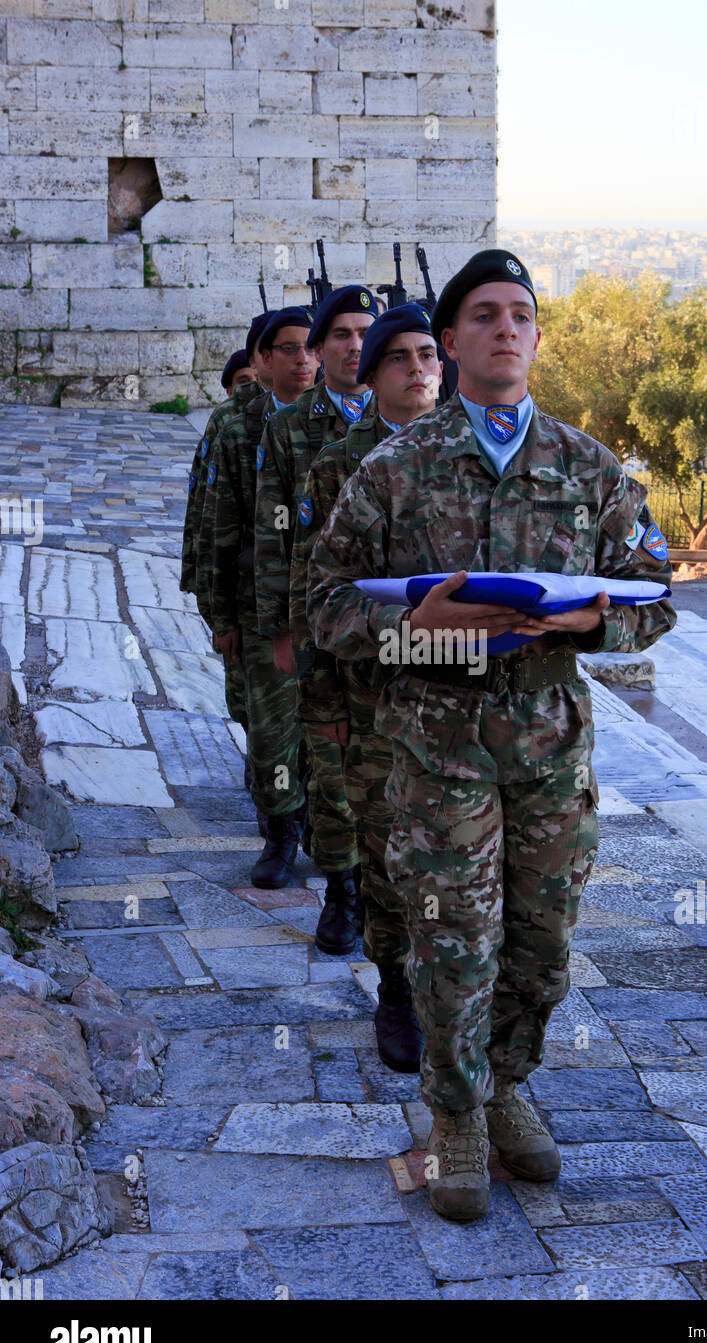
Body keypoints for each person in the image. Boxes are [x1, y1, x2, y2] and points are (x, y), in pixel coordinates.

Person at [306, 249, 676, 1222]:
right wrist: (405, 625)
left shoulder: (590, 468)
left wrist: (594, 624)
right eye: (483, 314)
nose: (503, 327)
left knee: (541, 944)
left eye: (519, 313)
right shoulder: (396, 467)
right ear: (454, 338)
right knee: (452, 942)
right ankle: (456, 1110)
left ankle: (507, 1080)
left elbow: (654, 596)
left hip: (550, 746)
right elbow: (322, 601)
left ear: (537, 338)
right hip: (437, 748)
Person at [289, 302, 441, 1070]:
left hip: (464, 704)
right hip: (372, 697)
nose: (419, 370)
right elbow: (311, 594)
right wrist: (323, 710)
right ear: (374, 372)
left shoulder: (467, 458)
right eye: (401, 357)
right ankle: (398, 993)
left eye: (429, 355)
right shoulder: (337, 466)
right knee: (386, 857)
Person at [254, 286, 378, 944]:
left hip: (401, 625)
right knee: (329, 766)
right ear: (321, 348)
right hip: (321, 624)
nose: (354, 345)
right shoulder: (290, 429)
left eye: (365, 333)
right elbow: (274, 537)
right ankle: (344, 889)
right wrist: (279, 629)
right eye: (341, 335)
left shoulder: (417, 418)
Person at [204, 307, 318, 887]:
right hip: (257, 607)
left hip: (325, 607)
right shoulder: (235, 425)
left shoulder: (341, 422)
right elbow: (214, 523)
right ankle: (280, 831)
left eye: (311, 348)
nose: (305, 360)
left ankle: (320, 826)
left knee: (326, 726)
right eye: (291, 349)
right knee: (269, 729)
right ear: (262, 359)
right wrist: (218, 612)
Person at [180, 312, 273, 737]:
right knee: (248, 704)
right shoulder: (230, 424)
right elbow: (207, 512)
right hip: (244, 596)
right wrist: (210, 599)